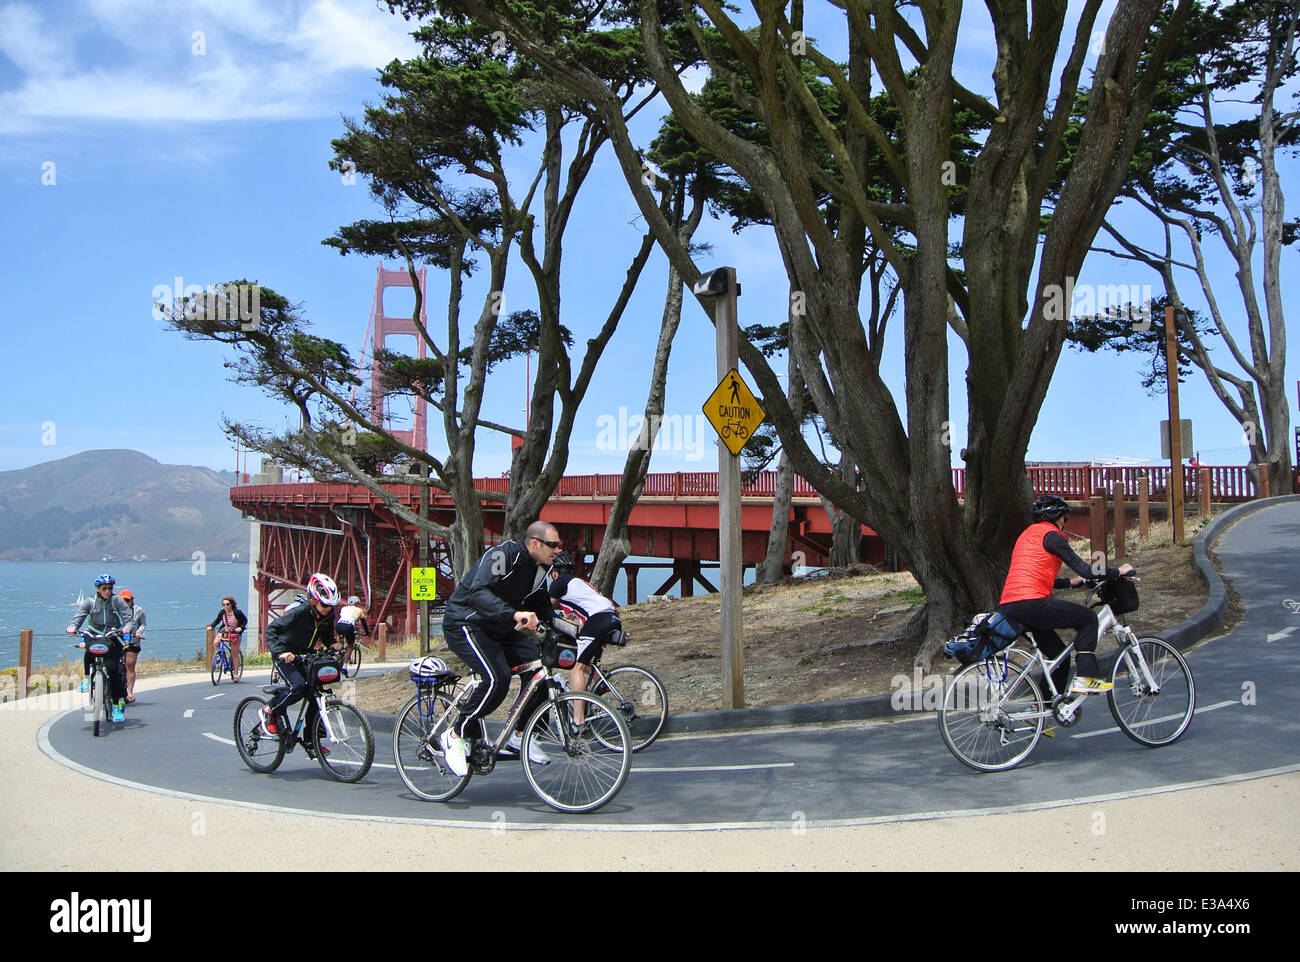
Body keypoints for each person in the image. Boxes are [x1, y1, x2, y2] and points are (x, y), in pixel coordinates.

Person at [439, 520, 564, 775]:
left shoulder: (540, 569)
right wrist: (515, 614)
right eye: (553, 545)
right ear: (534, 543)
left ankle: (520, 735)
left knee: (538, 673)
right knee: (497, 679)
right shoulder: (503, 554)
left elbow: (542, 607)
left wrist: (568, 629)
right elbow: (477, 593)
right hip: (466, 623)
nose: (557, 550)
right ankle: (455, 734)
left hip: (500, 626)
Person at [998, 496, 1134, 696]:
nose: (1064, 522)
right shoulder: (1052, 536)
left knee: (1059, 658)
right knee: (1088, 618)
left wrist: (1070, 582)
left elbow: (1032, 576)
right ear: (1059, 518)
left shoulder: (1026, 536)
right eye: (1065, 518)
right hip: (1031, 603)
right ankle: (1085, 678)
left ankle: (1043, 717)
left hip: (1011, 606)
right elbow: (1087, 570)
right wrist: (1118, 571)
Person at [258, 574, 343, 737]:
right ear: (314, 601)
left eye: (332, 606)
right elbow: (272, 630)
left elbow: (326, 637)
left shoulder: (328, 615)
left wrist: (334, 645)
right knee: (298, 687)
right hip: (285, 654)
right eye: (325, 605)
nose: (328, 609)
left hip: (305, 656)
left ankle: (313, 741)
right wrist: (281, 652)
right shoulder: (301, 611)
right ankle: (269, 710)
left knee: (315, 692)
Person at [547, 552, 623, 724]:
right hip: (612, 617)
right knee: (584, 661)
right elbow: (573, 614)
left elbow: (546, 607)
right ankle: (600, 680)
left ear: (554, 572)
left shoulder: (558, 583)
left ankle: (578, 721)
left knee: (576, 668)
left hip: (598, 620)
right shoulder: (578, 583)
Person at [66, 573, 135, 722]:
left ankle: (117, 706)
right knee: (89, 652)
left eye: (110, 588)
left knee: (112, 669)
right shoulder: (89, 602)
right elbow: (78, 617)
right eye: (104, 588)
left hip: (112, 635)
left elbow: (128, 618)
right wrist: (72, 627)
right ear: (98, 589)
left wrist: (127, 628)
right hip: (94, 633)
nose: (108, 591)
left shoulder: (117, 601)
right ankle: (86, 679)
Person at [118, 589, 146, 703]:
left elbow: (143, 623)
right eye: (122, 600)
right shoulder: (115, 610)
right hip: (118, 640)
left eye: (127, 600)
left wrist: (139, 632)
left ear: (131, 600)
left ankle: (129, 692)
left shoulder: (138, 611)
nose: (125, 603)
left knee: (129, 665)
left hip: (133, 640)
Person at [209, 596, 247, 677]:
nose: (225, 606)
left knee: (234, 653)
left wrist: (240, 628)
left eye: (227, 604)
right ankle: (219, 655)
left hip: (235, 632)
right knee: (216, 642)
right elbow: (217, 621)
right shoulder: (222, 613)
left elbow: (244, 621)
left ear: (231, 604)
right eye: (224, 604)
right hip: (225, 630)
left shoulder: (237, 612)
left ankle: (236, 674)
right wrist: (211, 626)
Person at [336, 595, 370, 664]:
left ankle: (339, 652)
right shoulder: (359, 610)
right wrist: (367, 632)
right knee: (350, 646)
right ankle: (345, 666)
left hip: (338, 625)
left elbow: (343, 617)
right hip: (349, 626)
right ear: (357, 603)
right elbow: (364, 623)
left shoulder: (343, 608)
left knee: (339, 636)